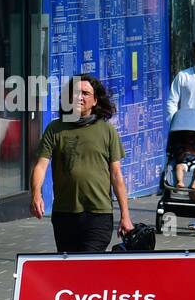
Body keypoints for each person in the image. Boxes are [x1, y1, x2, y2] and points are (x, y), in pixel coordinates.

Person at [30, 74, 134, 252]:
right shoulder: (55, 128)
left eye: (85, 93)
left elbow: (116, 175)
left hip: (98, 213)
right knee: (69, 270)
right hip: (64, 213)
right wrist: (36, 194)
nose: (79, 97)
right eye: (75, 92)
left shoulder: (107, 131)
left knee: (88, 264)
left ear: (95, 101)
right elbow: (40, 165)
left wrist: (125, 215)